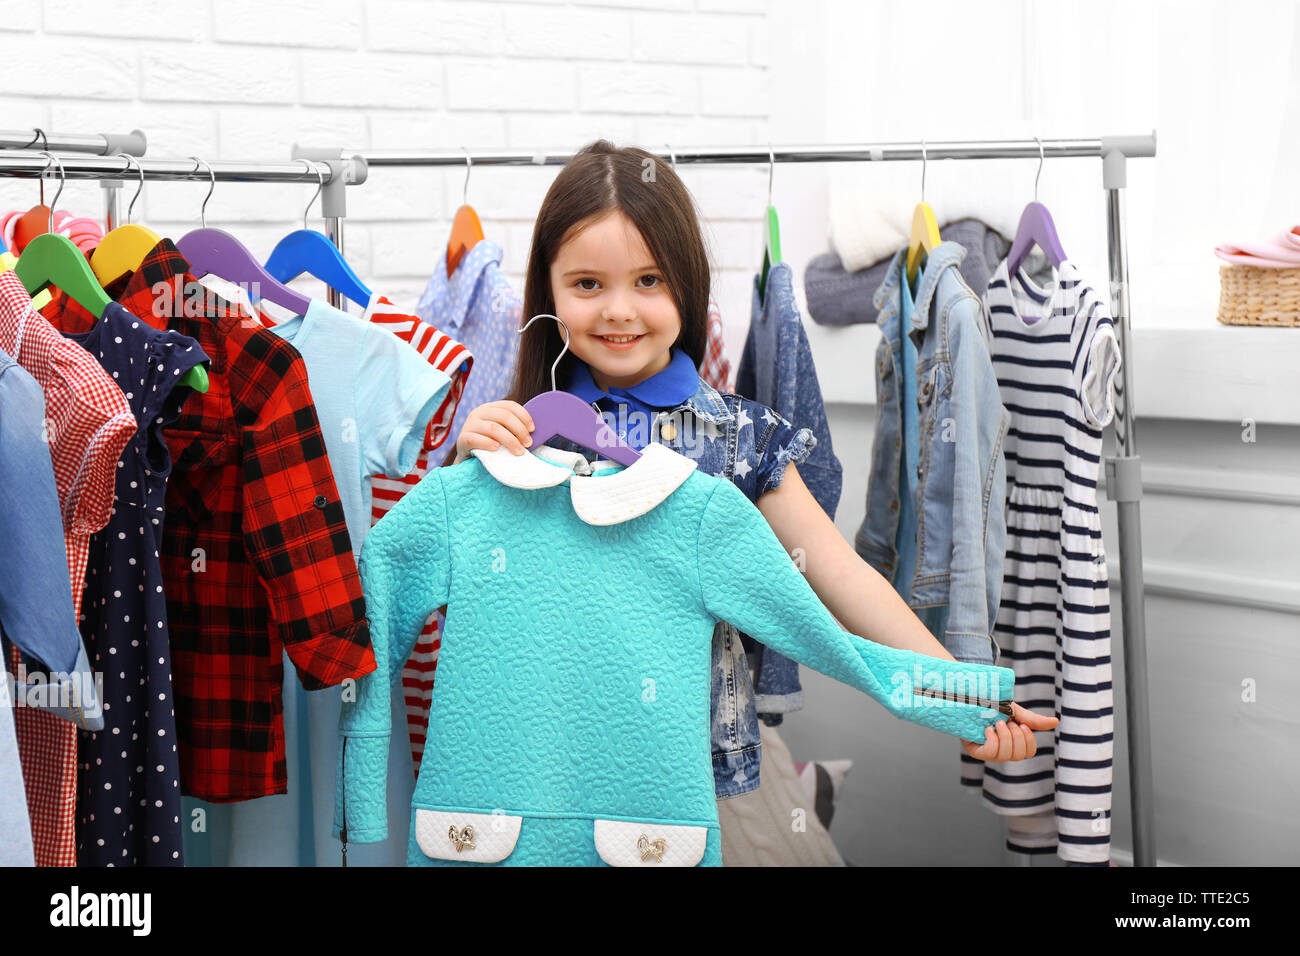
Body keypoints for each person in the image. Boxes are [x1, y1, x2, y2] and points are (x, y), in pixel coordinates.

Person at [444, 139, 1057, 852]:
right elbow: (470, 607)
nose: (619, 310)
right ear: (547, 292)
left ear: (688, 284)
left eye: (648, 281)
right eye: (587, 285)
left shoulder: (739, 439)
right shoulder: (520, 436)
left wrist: (960, 693)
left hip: (706, 774)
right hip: (549, 776)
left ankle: (808, 793)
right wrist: (469, 473)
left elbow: (841, 578)